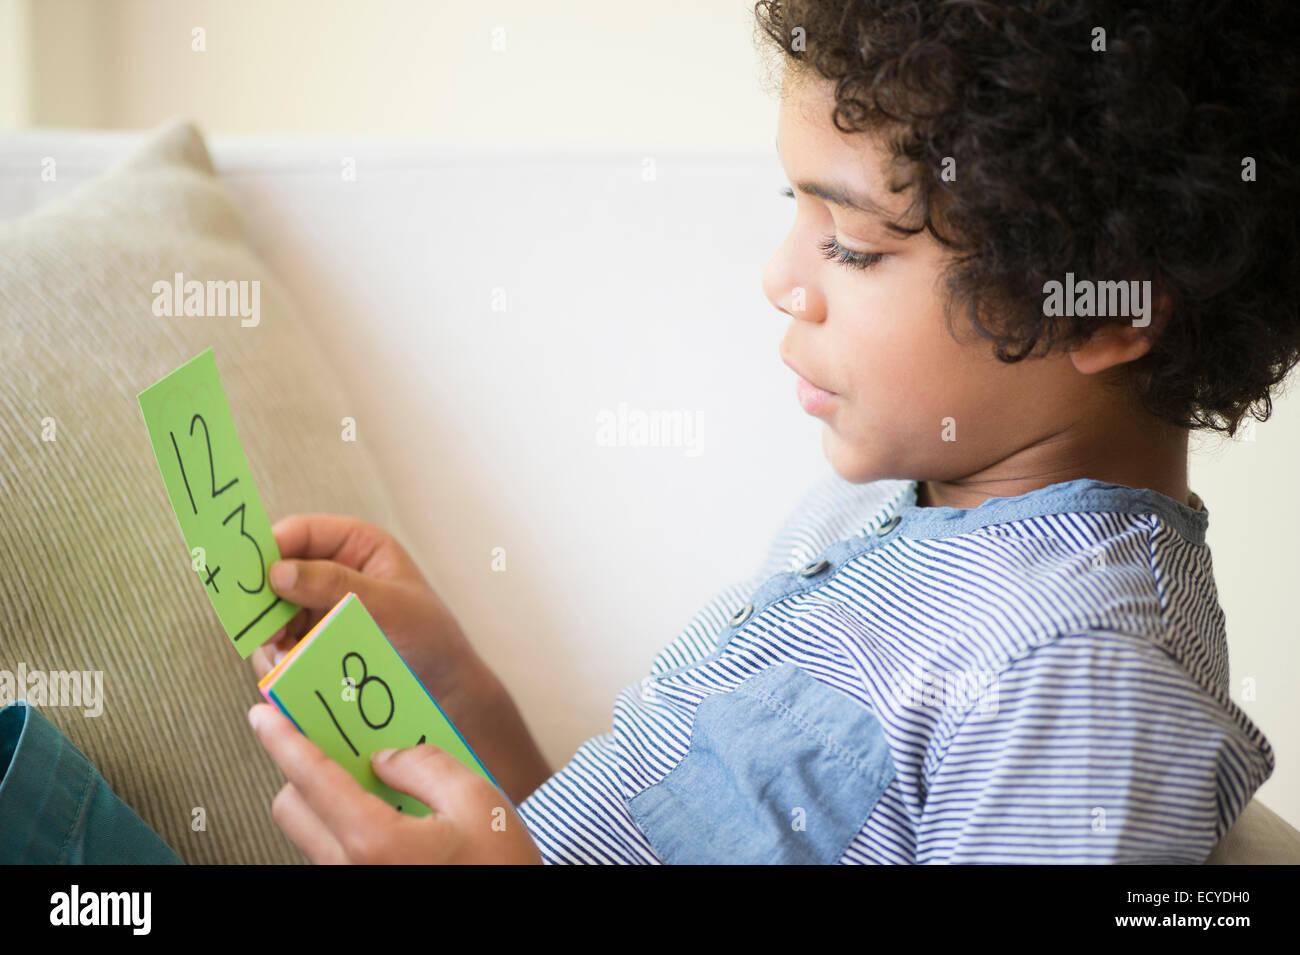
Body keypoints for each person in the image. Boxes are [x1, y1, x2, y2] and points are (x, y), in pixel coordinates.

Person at [247, 0, 1299, 863]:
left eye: (849, 244)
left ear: (1104, 306)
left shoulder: (1078, 685)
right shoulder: (888, 505)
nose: (781, 278)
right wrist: (457, 696)